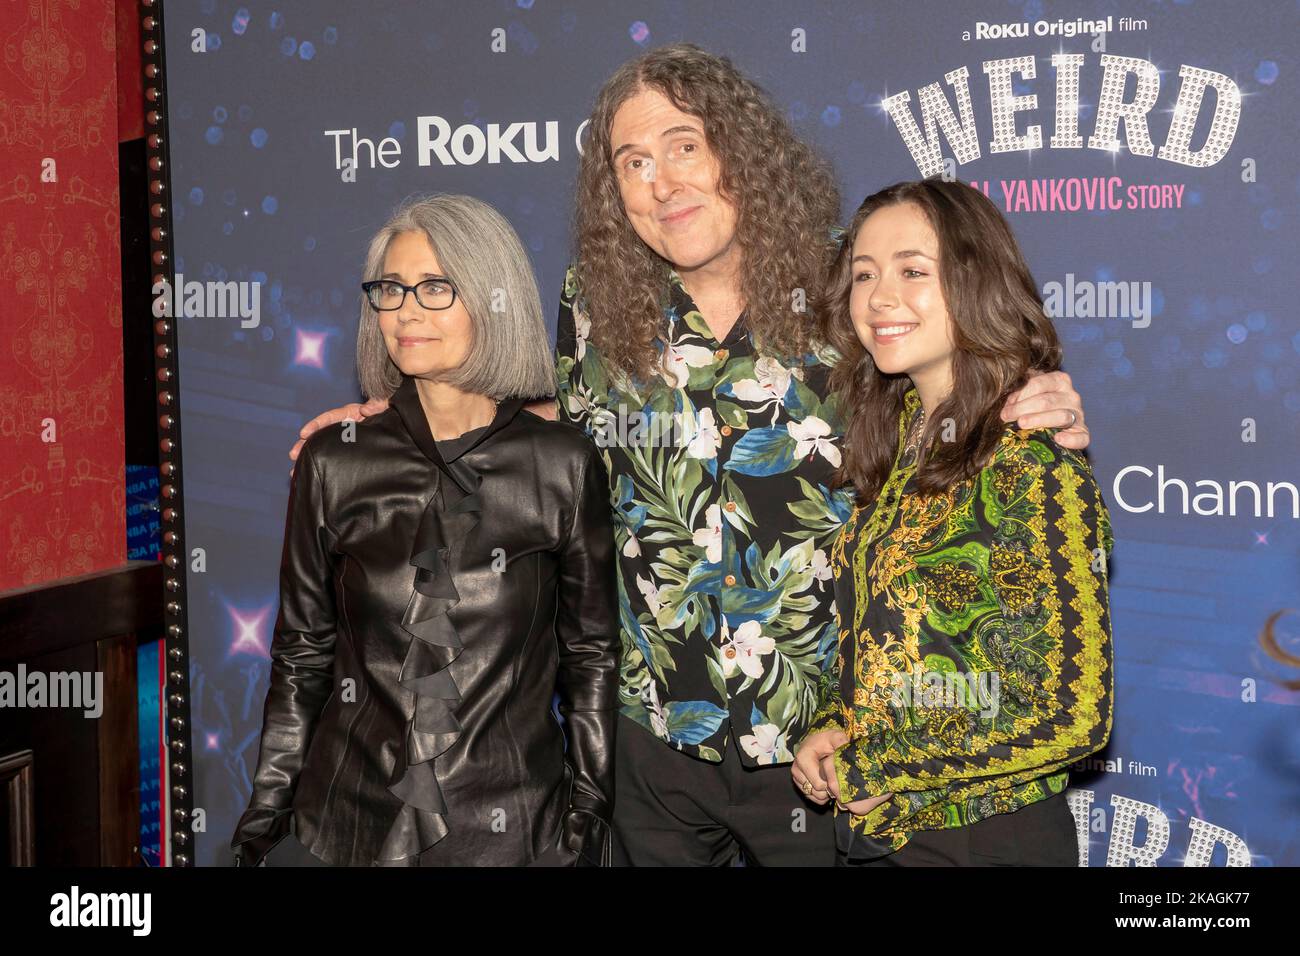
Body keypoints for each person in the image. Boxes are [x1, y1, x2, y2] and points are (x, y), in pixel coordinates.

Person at [291, 44, 1091, 866]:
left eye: (683, 145)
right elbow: (562, 425)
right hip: (654, 736)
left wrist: (1023, 400)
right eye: (632, 161)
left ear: (740, 152)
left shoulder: (851, 280)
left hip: (822, 743)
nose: (661, 181)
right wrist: (410, 414)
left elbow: (945, 364)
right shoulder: (595, 298)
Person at [232, 194, 618, 867]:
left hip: (514, 834)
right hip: (350, 828)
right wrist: (263, 822)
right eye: (391, 288)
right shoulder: (334, 460)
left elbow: (591, 658)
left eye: (436, 287)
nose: (405, 310)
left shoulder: (561, 464)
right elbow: (302, 658)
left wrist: (586, 816)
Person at [791, 178, 1114, 866]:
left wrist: (877, 766)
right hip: (882, 838)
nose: (879, 298)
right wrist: (834, 725)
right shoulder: (898, 437)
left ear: (975, 283)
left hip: (989, 840)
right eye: (864, 275)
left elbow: (1069, 714)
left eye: (913, 271)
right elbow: (884, 641)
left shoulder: (1029, 462)